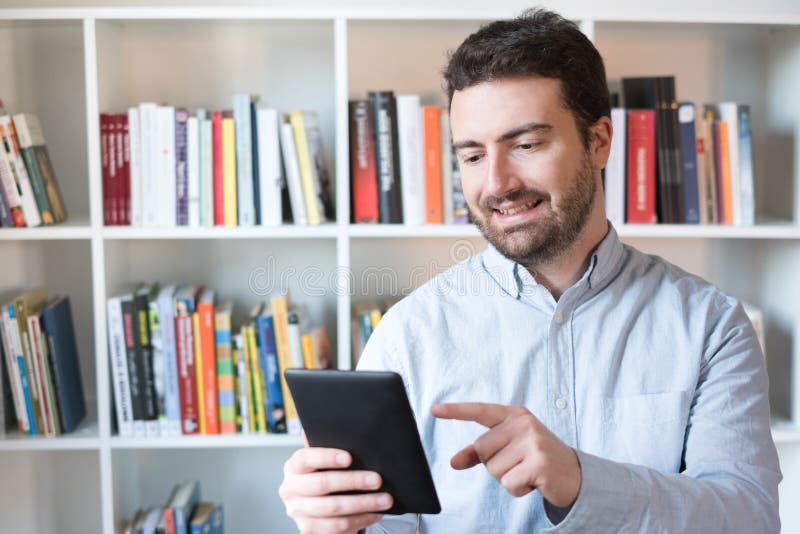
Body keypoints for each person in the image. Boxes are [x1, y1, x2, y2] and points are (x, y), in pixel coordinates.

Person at [278, 8, 782, 533]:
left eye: (525, 144)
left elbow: (748, 518)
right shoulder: (408, 334)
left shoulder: (711, 326)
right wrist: (338, 522)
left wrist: (584, 483)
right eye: (472, 156)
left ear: (600, 141)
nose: (497, 183)